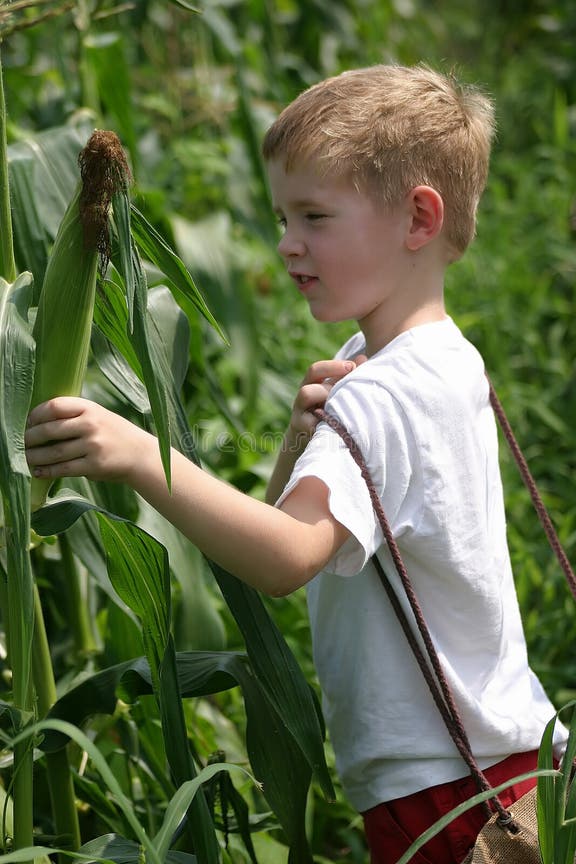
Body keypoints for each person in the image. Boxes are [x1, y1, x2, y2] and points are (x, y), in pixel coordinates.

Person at [25, 64, 566, 863]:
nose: (287, 244)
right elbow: (292, 526)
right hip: (509, 765)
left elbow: (285, 560)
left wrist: (141, 455)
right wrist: (298, 444)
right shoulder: (431, 361)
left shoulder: (380, 395)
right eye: (284, 216)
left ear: (419, 218)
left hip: (449, 793)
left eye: (314, 216)